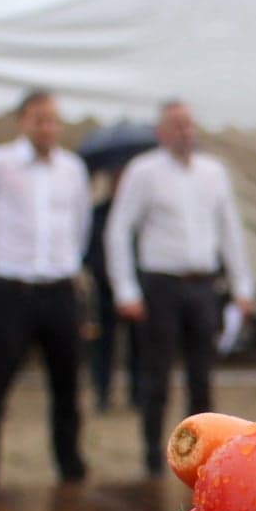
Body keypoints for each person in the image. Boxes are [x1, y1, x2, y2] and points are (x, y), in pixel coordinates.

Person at [106, 100, 256, 475]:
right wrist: (126, 289)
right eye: (176, 125)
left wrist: (242, 284)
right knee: (156, 375)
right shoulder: (144, 172)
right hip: (161, 285)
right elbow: (119, 229)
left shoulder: (213, 172)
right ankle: (153, 457)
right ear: (161, 132)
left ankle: (204, 455)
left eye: (189, 124)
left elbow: (230, 231)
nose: (185, 131)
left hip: (202, 284)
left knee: (202, 375)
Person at [0, 90, 92, 488]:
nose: (47, 127)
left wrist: (63, 262)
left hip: (59, 288)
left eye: (52, 119)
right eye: (38, 119)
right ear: (21, 121)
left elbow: (81, 227)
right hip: (12, 289)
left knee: (67, 385)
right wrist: (2, 264)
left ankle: (70, 468)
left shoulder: (72, 169)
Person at [84, 170, 141, 414]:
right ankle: (102, 392)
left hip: (137, 291)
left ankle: (137, 393)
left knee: (138, 345)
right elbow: (87, 249)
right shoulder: (98, 214)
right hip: (104, 289)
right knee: (103, 344)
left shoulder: (139, 215)